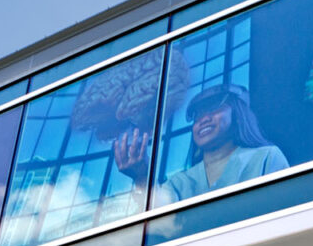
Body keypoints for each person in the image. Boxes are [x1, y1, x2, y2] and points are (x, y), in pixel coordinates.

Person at [112, 84, 288, 205]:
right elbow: (162, 226)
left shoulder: (266, 157)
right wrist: (142, 177)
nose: (204, 119)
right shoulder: (179, 183)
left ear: (238, 114)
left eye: (214, 108)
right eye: (197, 115)